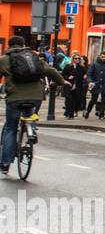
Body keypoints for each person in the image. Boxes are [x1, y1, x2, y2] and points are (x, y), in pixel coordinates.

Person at [0, 36, 67, 175]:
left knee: (11, 128)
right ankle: (32, 131)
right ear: (23, 44)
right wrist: (62, 82)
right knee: (30, 115)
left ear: (9, 45)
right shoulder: (34, 57)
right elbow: (51, 71)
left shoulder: (4, 60)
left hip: (15, 98)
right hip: (36, 96)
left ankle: (5, 163)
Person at [88, 52, 105, 119]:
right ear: (99, 57)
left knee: (104, 101)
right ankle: (87, 111)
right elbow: (89, 74)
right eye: (102, 57)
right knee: (93, 100)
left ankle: (101, 114)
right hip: (96, 85)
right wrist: (90, 81)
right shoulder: (94, 64)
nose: (103, 58)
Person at [64, 54, 88, 118]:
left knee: (75, 100)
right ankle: (68, 113)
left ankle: (71, 114)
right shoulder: (68, 66)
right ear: (73, 59)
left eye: (78, 58)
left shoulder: (82, 67)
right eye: (75, 58)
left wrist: (85, 76)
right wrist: (68, 77)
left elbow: (86, 74)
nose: (77, 60)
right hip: (69, 85)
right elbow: (63, 75)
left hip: (78, 86)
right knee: (68, 100)